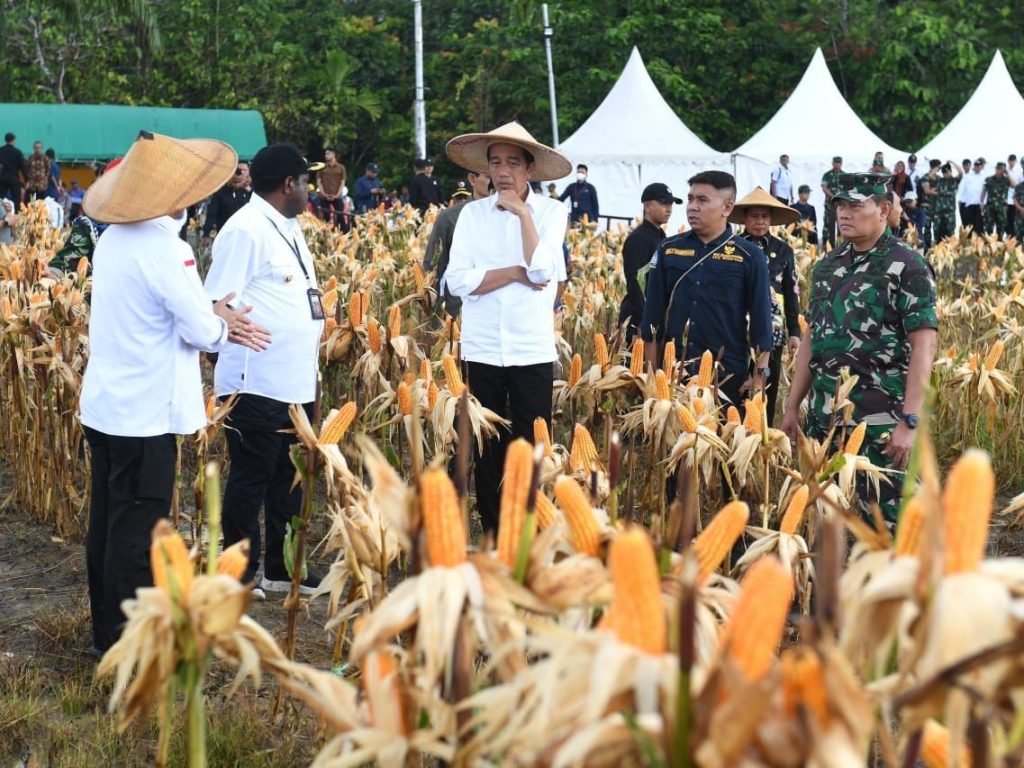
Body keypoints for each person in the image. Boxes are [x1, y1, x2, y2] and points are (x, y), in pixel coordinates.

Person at [78, 130, 269, 656]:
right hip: (145, 415)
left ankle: (106, 632)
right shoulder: (168, 248)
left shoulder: (114, 237)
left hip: (107, 406)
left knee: (109, 521)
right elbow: (201, 331)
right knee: (138, 530)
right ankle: (126, 642)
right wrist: (222, 317)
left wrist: (211, 314)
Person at [203, 143, 326, 597]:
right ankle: (239, 570)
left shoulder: (287, 226)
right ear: (288, 184)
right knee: (251, 476)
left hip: (293, 379)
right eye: (306, 180)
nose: (310, 188)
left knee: (289, 477)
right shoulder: (247, 229)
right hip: (255, 380)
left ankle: (280, 566)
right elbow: (218, 299)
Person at [781, 172, 937, 525]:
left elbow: (924, 347)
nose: (844, 214)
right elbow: (811, 340)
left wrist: (909, 422)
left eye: (855, 205)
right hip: (825, 421)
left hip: (882, 421)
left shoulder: (906, 265)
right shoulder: (827, 266)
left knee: (889, 526)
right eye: (840, 205)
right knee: (824, 523)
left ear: (884, 210)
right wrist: (792, 406)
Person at [444, 121, 570, 535]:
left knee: (533, 443)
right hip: (481, 347)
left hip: (532, 348)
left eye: (512, 162)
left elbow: (541, 272)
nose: (502, 171)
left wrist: (521, 216)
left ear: (529, 170)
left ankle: (531, 525)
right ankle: (496, 528)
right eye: (495, 162)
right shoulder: (471, 215)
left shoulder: (553, 212)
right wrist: (513, 270)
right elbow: (458, 281)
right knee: (487, 444)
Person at [640, 170, 773, 412]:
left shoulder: (749, 255)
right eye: (690, 199)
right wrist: (650, 375)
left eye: (702, 200)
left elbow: (762, 323)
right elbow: (652, 319)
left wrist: (759, 377)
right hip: (674, 376)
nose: (692, 207)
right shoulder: (668, 249)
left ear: (727, 207)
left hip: (726, 376)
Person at [730, 186, 801, 424]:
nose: (760, 222)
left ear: (771, 219)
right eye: (754, 216)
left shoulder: (783, 250)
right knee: (739, 380)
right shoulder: (732, 247)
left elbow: (792, 293)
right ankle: (737, 430)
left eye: (765, 217)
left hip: (774, 329)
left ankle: (764, 431)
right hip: (737, 326)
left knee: (767, 379)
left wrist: (795, 332)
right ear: (745, 218)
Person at [423, 169, 492, 318]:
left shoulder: (511, 215)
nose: (494, 181)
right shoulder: (449, 217)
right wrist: (435, 304)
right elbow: (433, 264)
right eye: (488, 176)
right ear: (472, 179)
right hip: (458, 304)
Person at [617, 182, 678, 342]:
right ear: (647, 206)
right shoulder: (639, 239)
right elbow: (637, 282)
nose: (669, 208)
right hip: (639, 320)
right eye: (664, 203)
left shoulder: (660, 236)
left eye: (671, 204)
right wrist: (646, 322)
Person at [202, 161, 252, 246]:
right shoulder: (219, 193)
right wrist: (206, 234)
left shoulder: (245, 191)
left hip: (244, 235)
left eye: (238, 182)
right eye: (234, 182)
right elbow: (211, 214)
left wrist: (248, 189)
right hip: (225, 235)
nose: (236, 184)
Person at [931, 163, 961, 242]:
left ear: (951, 171)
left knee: (950, 231)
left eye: (946, 172)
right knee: (936, 230)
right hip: (939, 211)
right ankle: (937, 248)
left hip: (949, 212)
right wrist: (940, 166)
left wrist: (952, 162)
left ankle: (950, 250)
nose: (945, 174)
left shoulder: (954, 181)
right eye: (943, 173)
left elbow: (961, 172)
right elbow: (931, 175)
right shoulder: (940, 180)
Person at [316, 149, 347, 225]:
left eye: (328, 154)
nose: (326, 156)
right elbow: (319, 181)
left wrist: (337, 195)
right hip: (324, 196)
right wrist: (324, 194)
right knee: (325, 217)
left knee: (340, 216)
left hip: (337, 196)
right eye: (325, 154)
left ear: (333, 154)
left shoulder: (341, 167)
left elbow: (342, 182)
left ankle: (342, 233)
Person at [982, 161, 1010, 236]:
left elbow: (1014, 185)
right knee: (988, 230)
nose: (999, 170)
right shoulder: (988, 179)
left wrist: (1008, 174)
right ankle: (987, 246)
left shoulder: (1006, 180)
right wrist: (981, 202)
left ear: (1004, 170)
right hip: (990, 208)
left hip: (1001, 209)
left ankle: (999, 246)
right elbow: (983, 191)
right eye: (997, 168)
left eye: (1001, 169)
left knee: (1000, 230)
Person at [0, 133, 27, 211]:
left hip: (2, 177)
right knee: (16, 199)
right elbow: (23, 167)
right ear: (13, 140)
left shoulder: (0, 150)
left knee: (0, 197)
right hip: (14, 178)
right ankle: (16, 214)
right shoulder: (17, 152)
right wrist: (27, 179)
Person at [958, 158, 986, 233]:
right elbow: (961, 189)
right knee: (968, 226)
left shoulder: (985, 176)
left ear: (981, 166)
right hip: (969, 204)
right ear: (974, 166)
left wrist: (984, 203)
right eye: (976, 165)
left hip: (979, 205)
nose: (977, 167)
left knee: (979, 226)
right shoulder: (968, 176)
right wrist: (960, 201)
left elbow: (986, 191)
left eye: (979, 165)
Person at [821, 156, 843, 246]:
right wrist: (833, 196)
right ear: (832, 163)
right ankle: (827, 244)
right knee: (828, 224)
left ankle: (841, 244)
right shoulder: (827, 175)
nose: (837, 164)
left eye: (839, 163)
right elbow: (824, 188)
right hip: (830, 203)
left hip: (841, 204)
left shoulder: (844, 175)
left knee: (841, 224)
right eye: (836, 162)